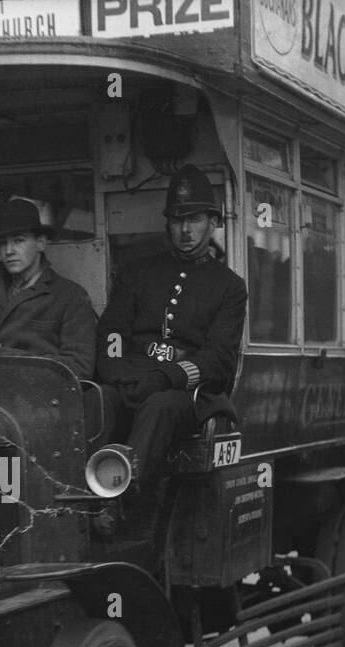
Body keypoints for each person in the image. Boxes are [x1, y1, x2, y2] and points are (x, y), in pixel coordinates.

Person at [94, 164, 248, 535]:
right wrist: (119, 377)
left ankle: (117, 502)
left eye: (194, 219)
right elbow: (112, 332)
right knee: (97, 399)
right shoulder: (137, 273)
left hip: (188, 395)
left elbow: (219, 358)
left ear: (213, 222)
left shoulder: (229, 286)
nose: (185, 230)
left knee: (159, 406)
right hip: (131, 378)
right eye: (178, 220)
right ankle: (72, 495)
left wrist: (168, 376)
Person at [0, 199, 97, 379]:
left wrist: (8, 357)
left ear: (41, 243)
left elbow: (80, 366)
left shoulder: (71, 296)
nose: (8, 251)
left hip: (42, 391)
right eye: (3, 243)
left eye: (18, 240)